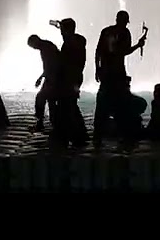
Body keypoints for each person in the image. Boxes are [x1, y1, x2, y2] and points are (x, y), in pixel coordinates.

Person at [94, 10, 147, 142]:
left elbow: (98, 51)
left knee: (103, 99)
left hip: (106, 72)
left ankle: (99, 130)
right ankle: (122, 130)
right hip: (118, 72)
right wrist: (138, 45)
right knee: (121, 100)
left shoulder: (105, 31)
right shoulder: (125, 33)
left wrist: (98, 68)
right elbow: (124, 52)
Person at [50, 18, 88, 146]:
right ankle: (77, 134)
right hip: (74, 78)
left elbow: (66, 62)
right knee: (69, 105)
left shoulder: (71, 43)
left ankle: (75, 134)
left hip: (70, 79)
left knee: (67, 105)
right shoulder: (77, 40)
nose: (61, 32)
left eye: (62, 29)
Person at [27, 34, 61, 132]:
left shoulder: (46, 49)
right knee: (51, 101)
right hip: (53, 77)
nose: (34, 48)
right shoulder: (46, 46)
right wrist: (41, 77)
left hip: (53, 78)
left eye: (33, 46)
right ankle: (54, 124)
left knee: (41, 98)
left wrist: (41, 78)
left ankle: (41, 122)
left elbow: (50, 65)